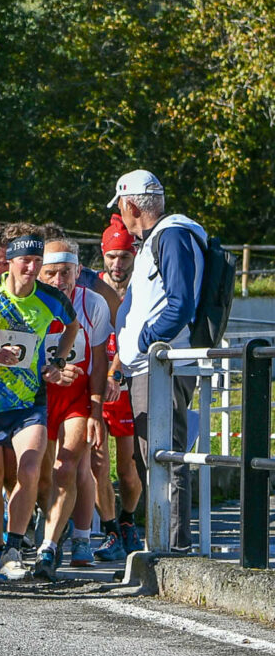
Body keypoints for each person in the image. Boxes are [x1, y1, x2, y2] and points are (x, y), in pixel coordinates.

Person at [0, 223, 80, 582]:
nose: (32, 268)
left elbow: (72, 326)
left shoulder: (51, 298)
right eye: (25, 260)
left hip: (28, 401)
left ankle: (12, 547)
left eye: (37, 260)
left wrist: (56, 362)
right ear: (8, 260)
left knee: (30, 467)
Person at [112, 169, 206, 554]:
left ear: (131, 205)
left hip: (161, 367)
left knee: (164, 454)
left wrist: (145, 340)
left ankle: (172, 546)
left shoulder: (171, 235)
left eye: (120, 207)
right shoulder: (167, 236)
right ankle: (164, 541)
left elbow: (179, 303)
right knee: (156, 455)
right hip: (152, 367)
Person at [33, 235, 112, 578]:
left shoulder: (92, 303)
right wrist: (46, 373)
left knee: (68, 468)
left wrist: (95, 412)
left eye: (65, 273)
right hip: (36, 397)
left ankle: (52, 547)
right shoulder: (26, 302)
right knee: (36, 472)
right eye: (50, 273)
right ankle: (47, 521)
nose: (58, 281)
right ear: (38, 272)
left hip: (77, 399)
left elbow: (98, 361)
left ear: (78, 271)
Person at [95, 214, 142, 559]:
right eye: (111, 256)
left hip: (126, 390)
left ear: (134, 255)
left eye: (124, 256)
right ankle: (109, 530)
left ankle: (127, 521)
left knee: (127, 470)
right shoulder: (93, 287)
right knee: (97, 463)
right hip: (98, 389)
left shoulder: (142, 289)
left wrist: (119, 373)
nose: (117, 264)